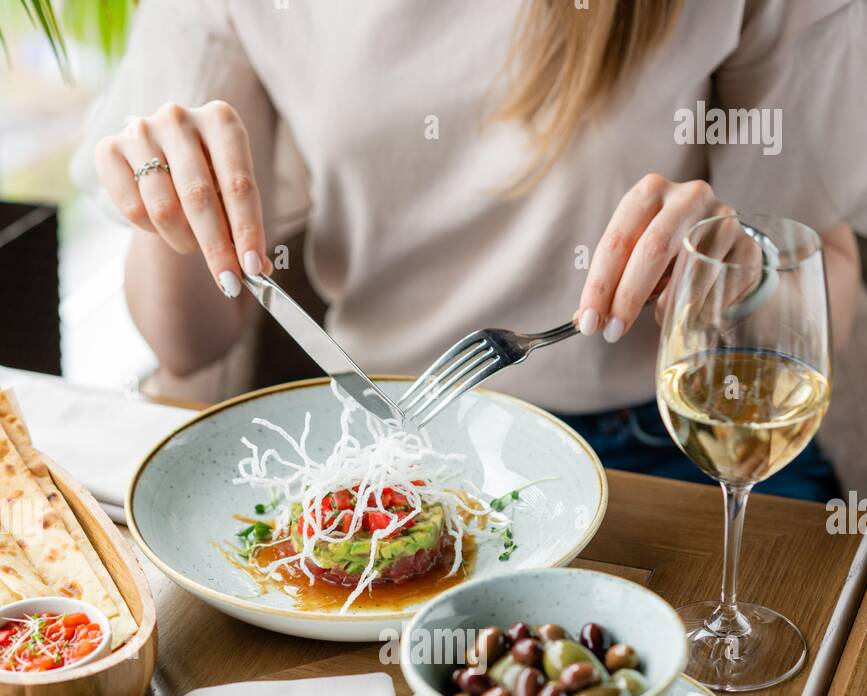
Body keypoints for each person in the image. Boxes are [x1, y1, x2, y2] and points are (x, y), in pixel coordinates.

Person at [73, 0, 867, 501]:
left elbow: (821, 291)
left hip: (666, 454)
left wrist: (737, 272)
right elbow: (187, 341)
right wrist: (170, 207)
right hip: (388, 448)